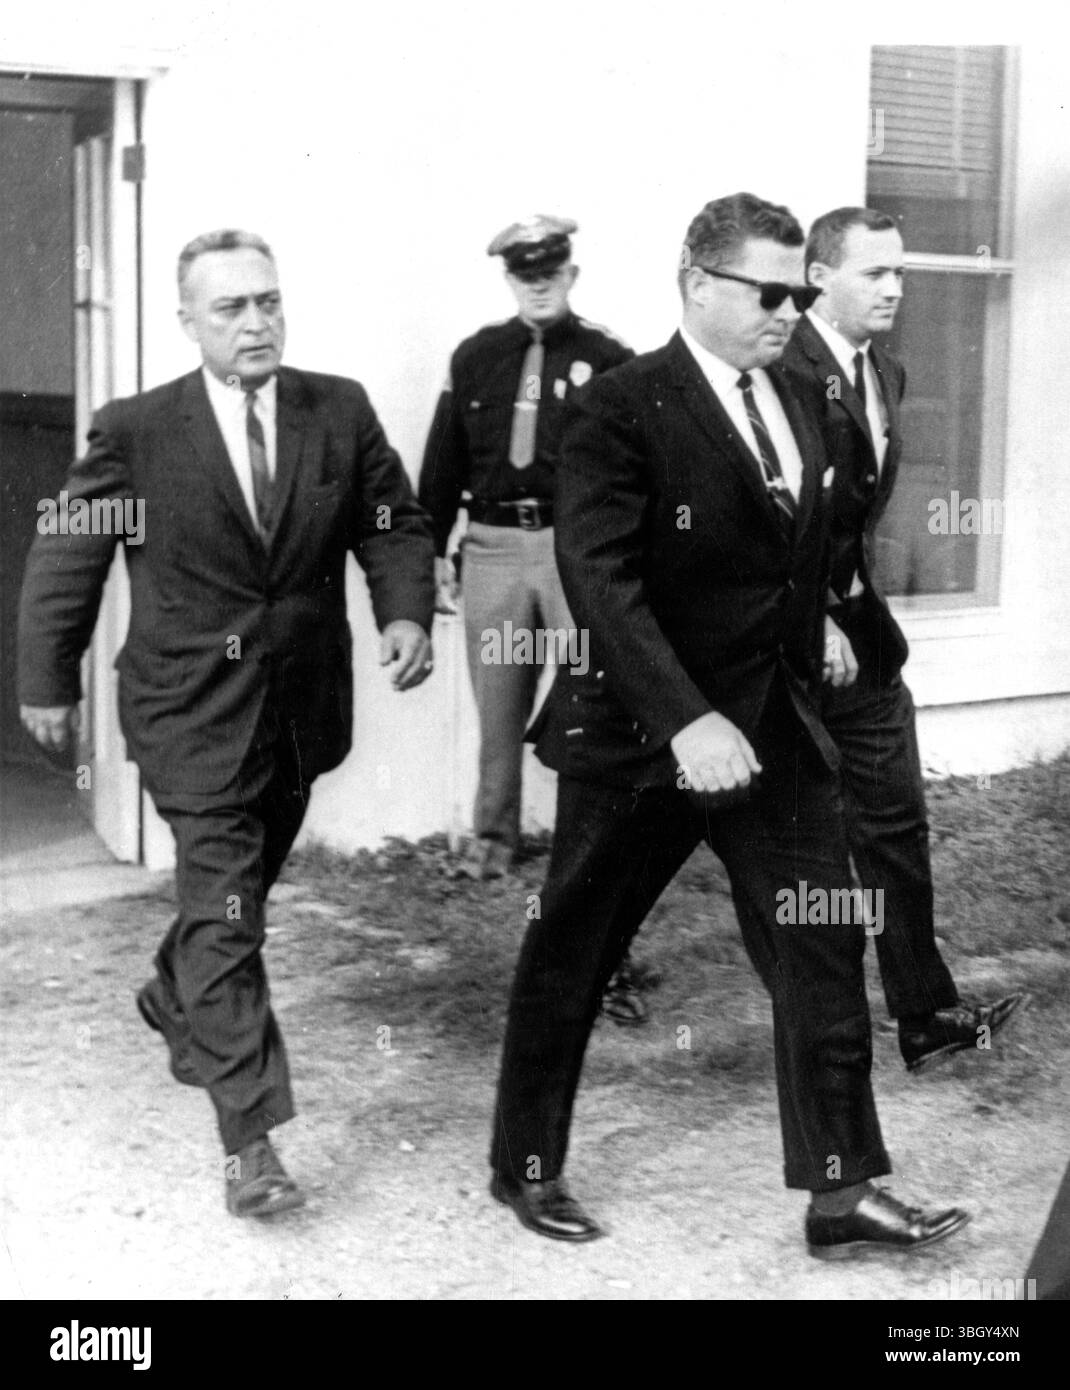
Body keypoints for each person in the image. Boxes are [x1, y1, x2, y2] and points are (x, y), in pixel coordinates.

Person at [489, 192, 970, 1257]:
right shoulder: (619, 407)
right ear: (696, 285)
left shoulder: (801, 396)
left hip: (774, 735)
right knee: (573, 947)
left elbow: (807, 548)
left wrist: (826, 635)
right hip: (640, 742)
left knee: (820, 942)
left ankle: (841, 1194)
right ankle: (523, 1165)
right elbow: (601, 581)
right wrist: (685, 720)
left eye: (800, 291)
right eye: (768, 291)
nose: (789, 309)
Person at [18, 229, 436, 1218]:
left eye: (268, 302)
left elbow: (391, 521)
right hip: (187, 711)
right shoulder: (136, 430)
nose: (256, 323)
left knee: (232, 899)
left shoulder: (335, 409)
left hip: (299, 713)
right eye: (230, 308)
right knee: (228, 911)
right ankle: (250, 1141)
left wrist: (405, 607)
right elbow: (68, 553)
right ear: (188, 322)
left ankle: (175, 991)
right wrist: (48, 680)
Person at [778, 206, 1023, 1071]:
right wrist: (811, 619)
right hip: (776, 643)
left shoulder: (886, 368)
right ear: (818, 276)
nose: (894, 289)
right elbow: (763, 517)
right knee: (716, 830)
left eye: (900, 273)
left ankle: (925, 1015)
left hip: (859, 639)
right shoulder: (778, 369)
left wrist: (847, 611)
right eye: (874, 273)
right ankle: (603, 969)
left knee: (894, 824)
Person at [417, 215, 633, 883]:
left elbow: (634, 466)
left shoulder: (608, 358)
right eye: (524, 275)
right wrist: (430, 547)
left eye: (550, 273)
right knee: (499, 703)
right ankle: (492, 840)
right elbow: (444, 456)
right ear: (509, 279)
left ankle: (590, 843)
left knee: (590, 694)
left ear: (570, 273)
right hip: (493, 549)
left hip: (574, 549)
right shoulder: (476, 356)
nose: (538, 286)